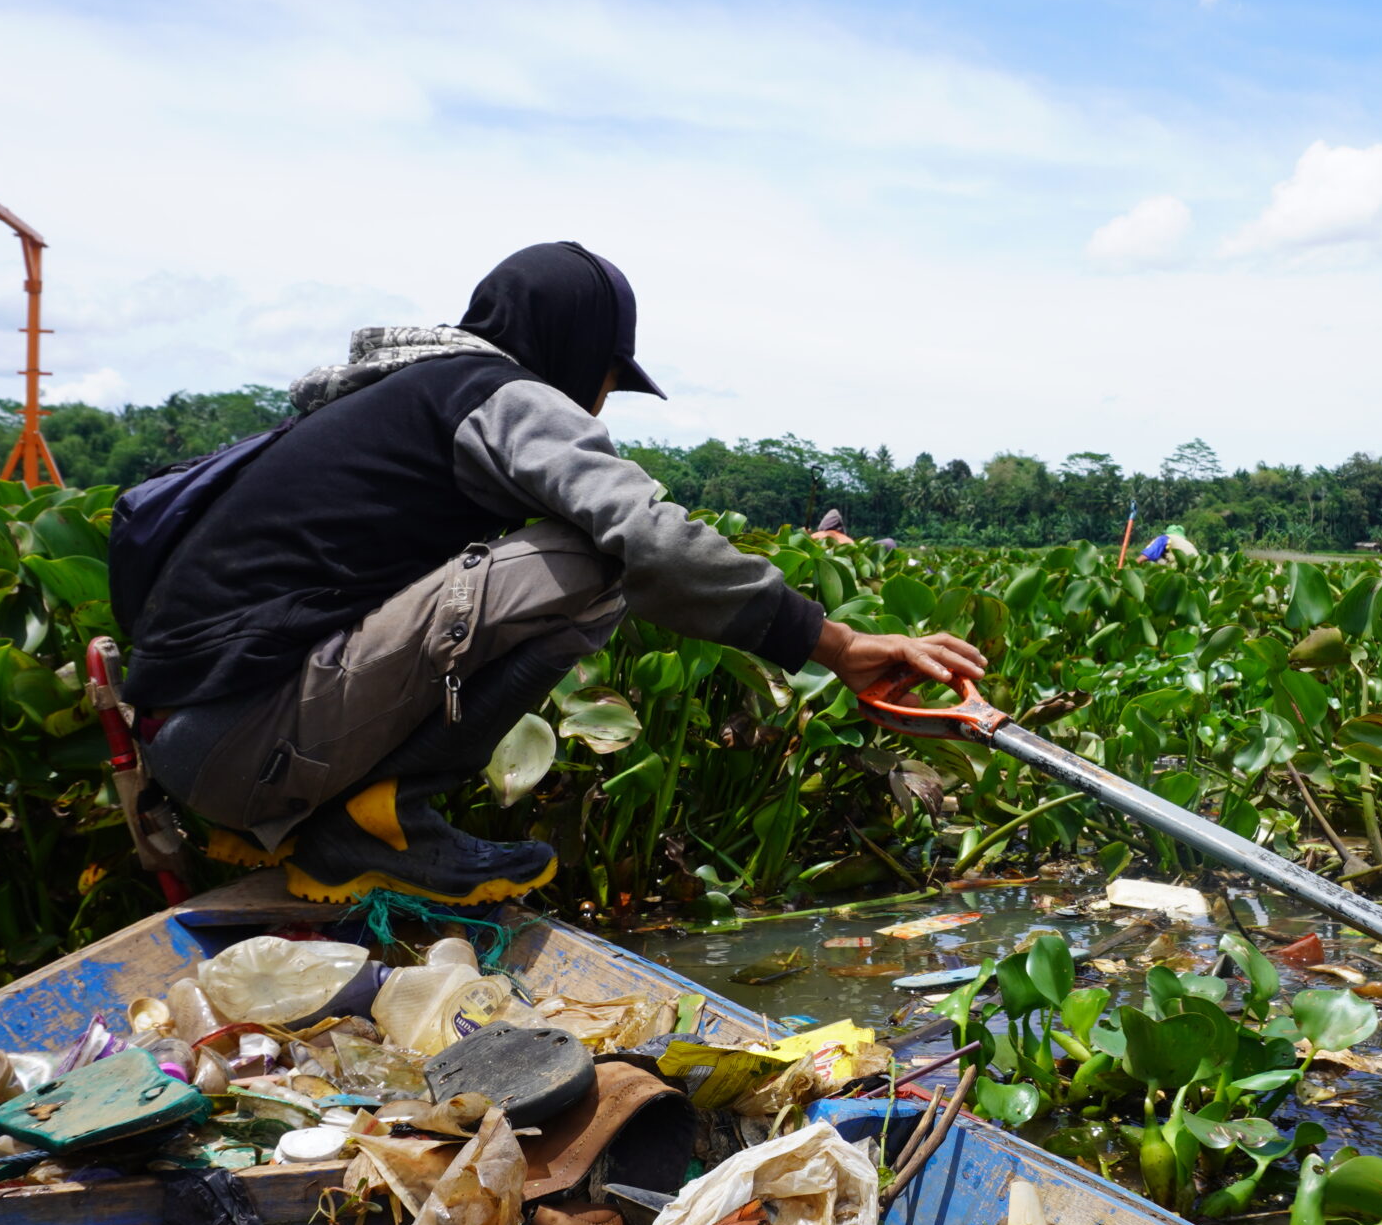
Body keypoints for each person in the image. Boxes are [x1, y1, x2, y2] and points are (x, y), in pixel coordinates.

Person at [115, 242, 984, 904]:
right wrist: (833, 643)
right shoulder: (494, 394)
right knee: (595, 561)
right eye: (606, 377)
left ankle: (354, 819)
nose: (598, 405)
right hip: (248, 746)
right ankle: (379, 827)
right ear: (571, 351)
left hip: (201, 746)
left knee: (568, 554)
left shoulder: (397, 394)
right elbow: (647, 535)